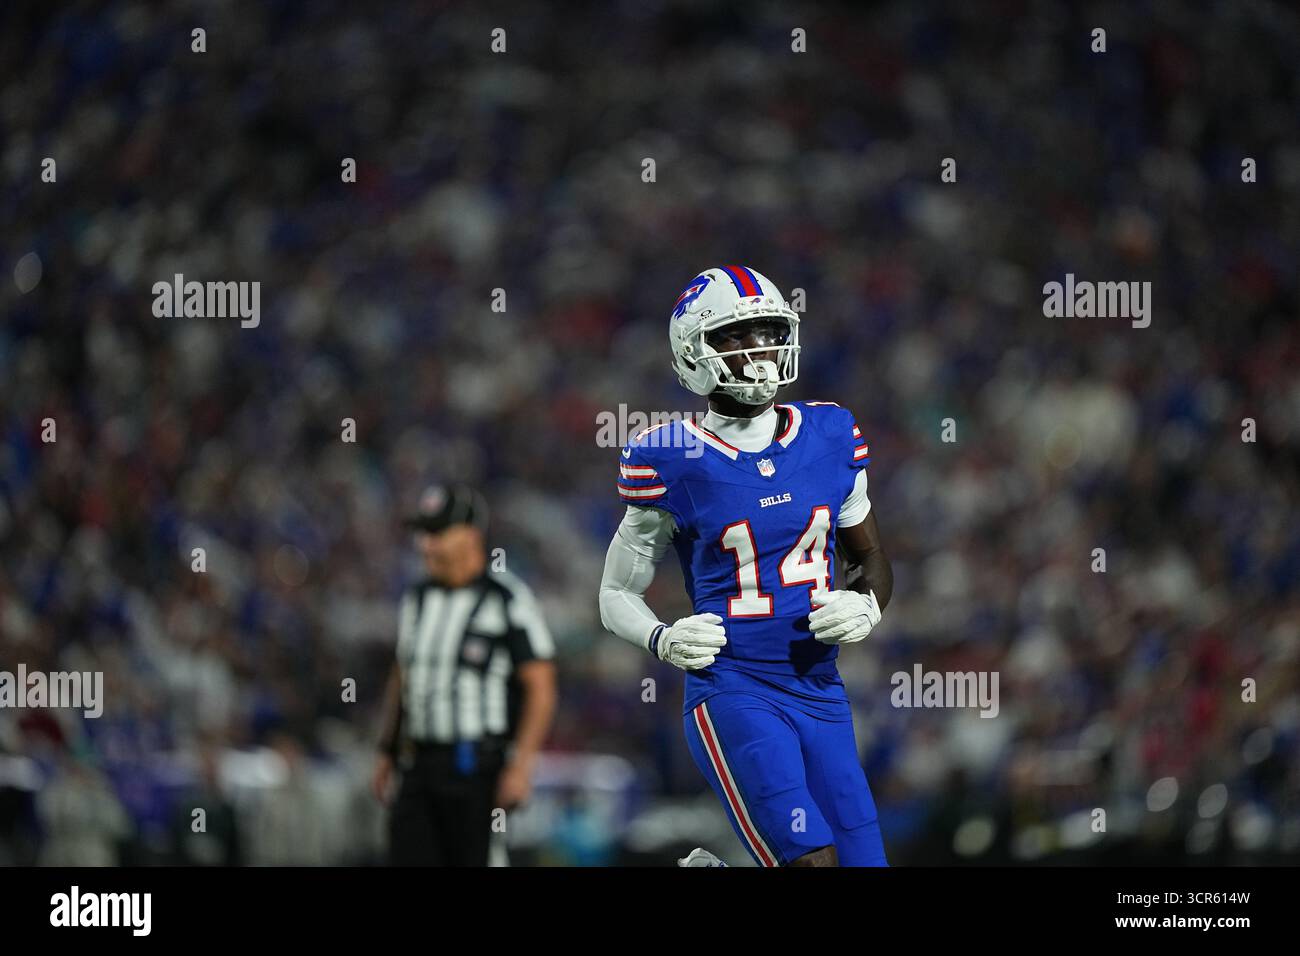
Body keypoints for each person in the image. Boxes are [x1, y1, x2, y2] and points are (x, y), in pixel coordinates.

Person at [599, 266, 893, 867]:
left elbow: (869, 557)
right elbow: (614, 592)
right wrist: (662, 638)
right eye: (734, 336)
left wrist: (867, 604)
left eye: (766, 330)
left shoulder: (832, 432)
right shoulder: (671, 456)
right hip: (735, 688)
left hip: (822, 690)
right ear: (692, 355)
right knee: (813, 861)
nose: (757, 348)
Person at [374, 485, 557, 866]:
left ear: (471, 534)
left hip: (477, 767)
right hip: (419, 764)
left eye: (438, 533)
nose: (427, 545)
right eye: (423, 533)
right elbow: (403, 675)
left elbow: (541, 687)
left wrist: (521, 767)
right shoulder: (417, 599)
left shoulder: (507, 598)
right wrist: (387, 749)